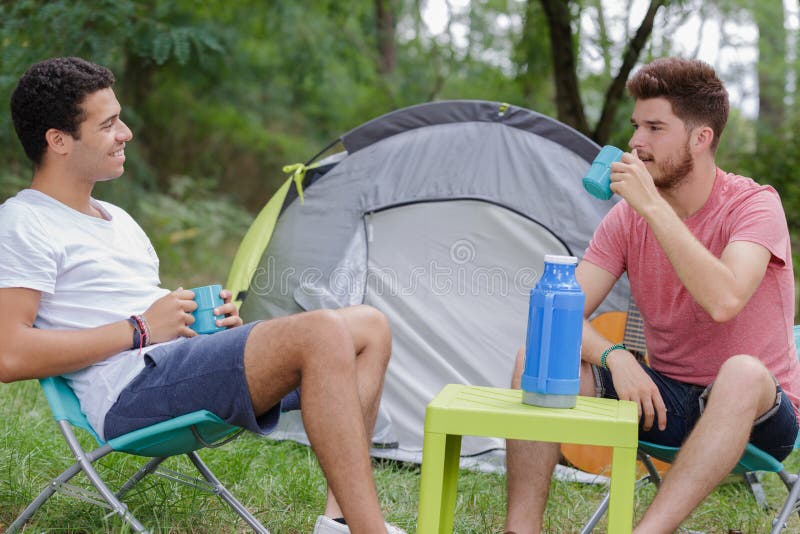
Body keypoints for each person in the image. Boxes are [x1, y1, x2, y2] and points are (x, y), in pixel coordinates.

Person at [0, 56, 404, 534]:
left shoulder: (118, 220)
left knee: (367, 327)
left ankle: (339, 523)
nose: (125, 132)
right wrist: (142, 329)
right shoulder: (25, 222)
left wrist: (201, 320)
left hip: (178, 364)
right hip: (131, 394)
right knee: (320, 331)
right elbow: (10, 354)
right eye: (108, 124)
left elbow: (142, 309)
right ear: (58, 140)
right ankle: (370, 530)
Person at [504, 57, 800, 534]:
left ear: (700, 138)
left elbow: (724, 300)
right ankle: (521, 529)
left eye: (655, 128)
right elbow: (558, 315)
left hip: (759, 414)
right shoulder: (626, 220)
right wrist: (616, 356)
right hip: (662, 399)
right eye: (635, 125)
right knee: (534, 355)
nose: (636, 142)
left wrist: (651, 208)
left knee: (742, 373)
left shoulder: (754, 206)